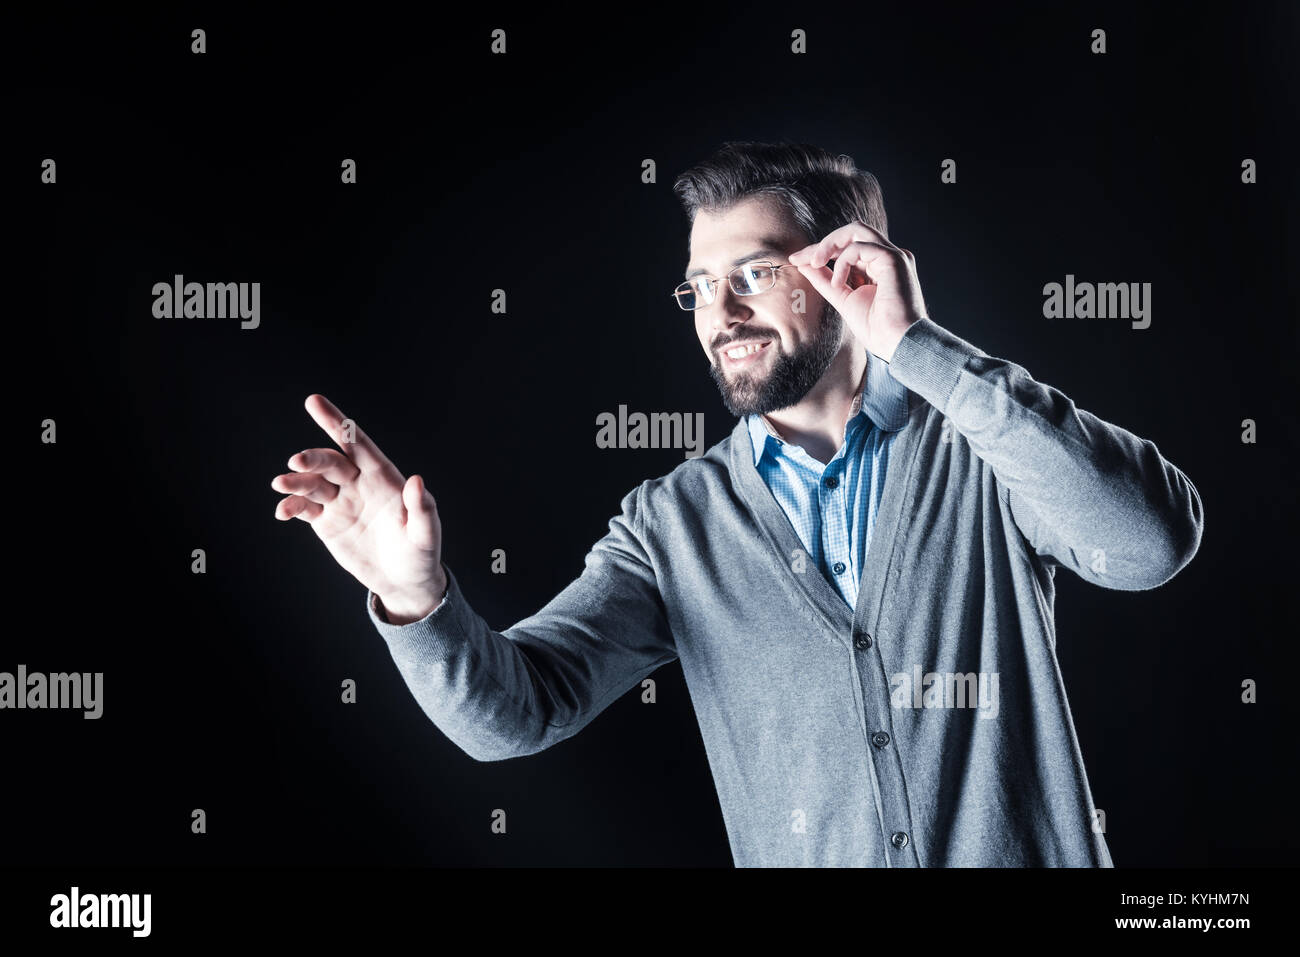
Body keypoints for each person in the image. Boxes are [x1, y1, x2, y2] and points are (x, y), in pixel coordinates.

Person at [270, 141, 1203, 866]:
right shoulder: (672, 526)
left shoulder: (982, 445)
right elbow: (518, 712)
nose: (719, 313)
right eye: (699, 288)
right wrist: (418, 601)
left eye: (751, 273)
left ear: (851, 266)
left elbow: (1149, 543)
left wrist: (919, 345)